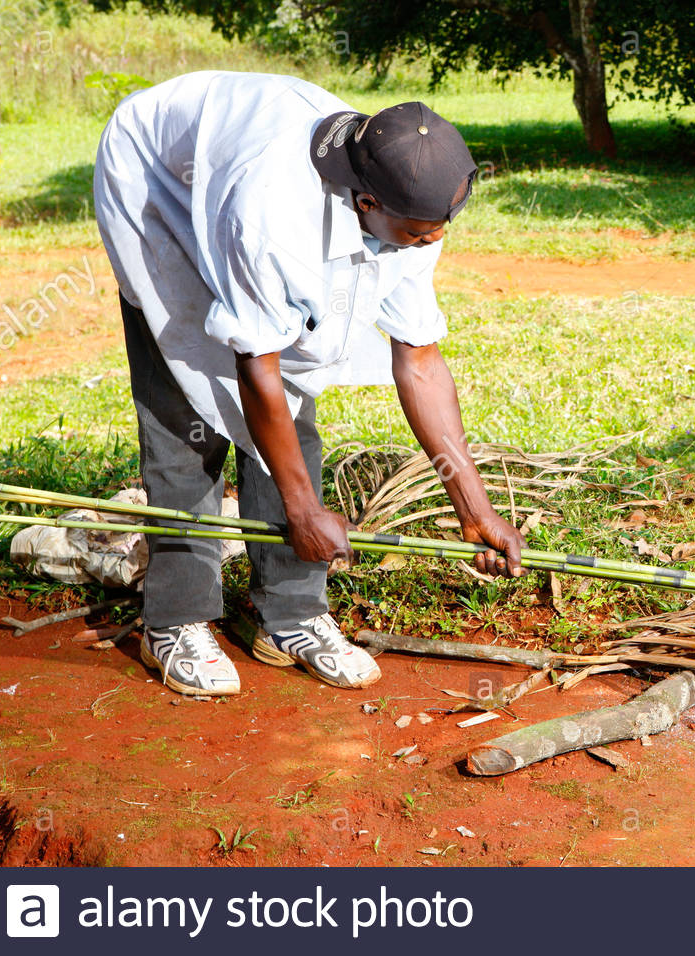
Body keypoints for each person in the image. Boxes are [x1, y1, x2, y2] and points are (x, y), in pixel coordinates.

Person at [93, 70, 525, 697]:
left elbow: (421, 361)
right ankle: (176, 618)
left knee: (292, 404)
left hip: (244, 180)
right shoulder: (270, 214)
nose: (429, 244)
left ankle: (290, 615)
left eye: (438, 229)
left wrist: (475, 509)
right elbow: (255, 365)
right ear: (367, 204)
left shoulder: (412, 203)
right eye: (417, 234)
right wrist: (302, 509)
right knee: (187, 405)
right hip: (160, 187)